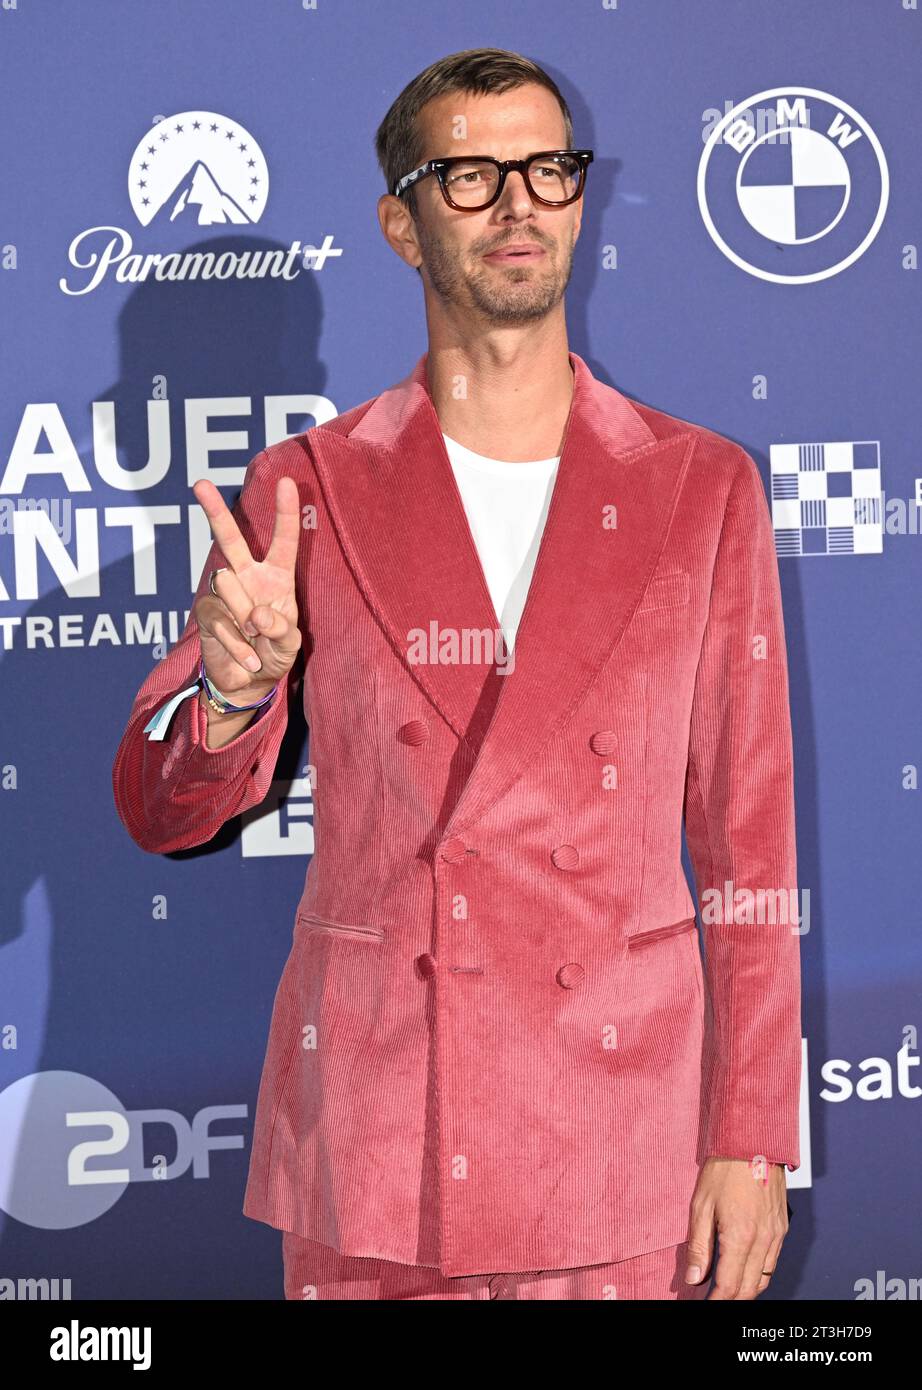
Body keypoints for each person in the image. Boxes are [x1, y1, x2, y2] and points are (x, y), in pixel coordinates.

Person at [113, 47, 802, 1301]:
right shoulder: (305, 490)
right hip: (381, 1149)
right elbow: (165, 812)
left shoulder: (700, 488)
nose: (517, 203)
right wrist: (230, 691)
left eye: (546, 167)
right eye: (470, 175)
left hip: (617, 1150)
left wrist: (752, 1130)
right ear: (401, 221)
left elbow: (750, 850)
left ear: (580, 197)